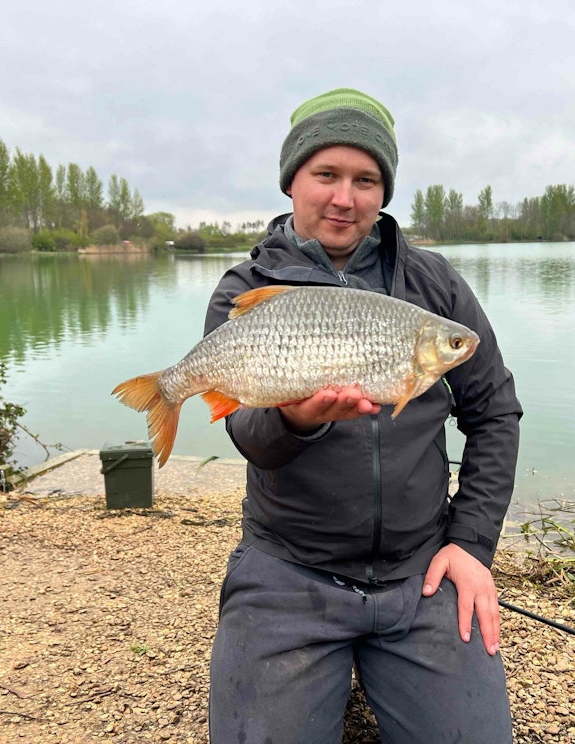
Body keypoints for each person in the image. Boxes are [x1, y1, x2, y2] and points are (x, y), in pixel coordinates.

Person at [203, 88, 523, 744]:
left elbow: (495, 412)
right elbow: (247, 434)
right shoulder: (245, 291)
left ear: (383, 190)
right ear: (293, 180)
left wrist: (470, 544)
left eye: (365, 179)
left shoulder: (435, 288)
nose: (344, 198)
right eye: (326, 175)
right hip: (288, 569)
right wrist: (294, 419)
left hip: (420, 567)